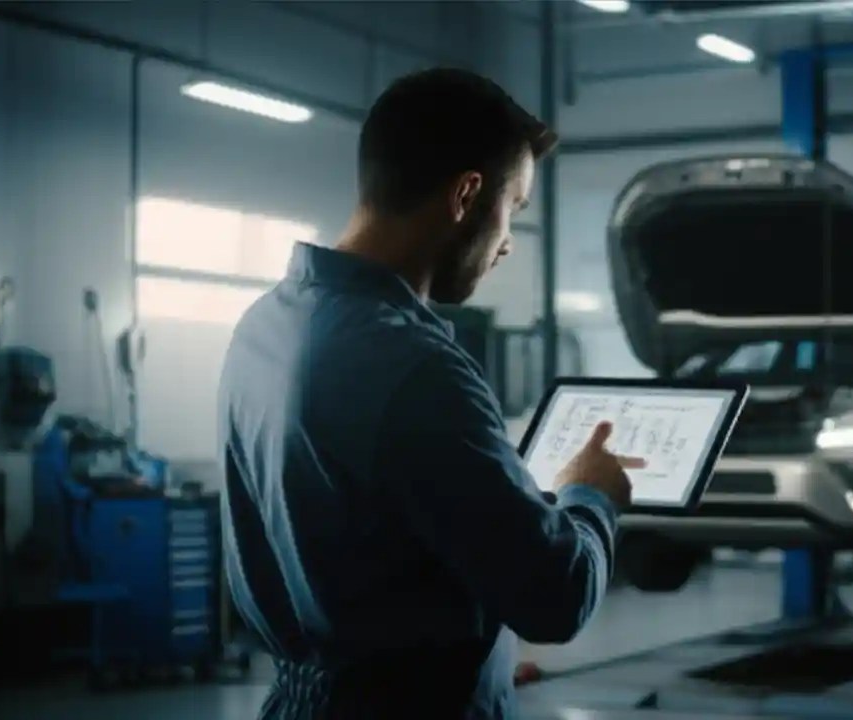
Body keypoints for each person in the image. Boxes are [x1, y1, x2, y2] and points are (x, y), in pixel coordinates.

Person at [218, 68, 643, 719]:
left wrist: (480, 663)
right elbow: (554, 596)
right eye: (515, 210)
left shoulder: (264, 325)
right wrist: (593, 494)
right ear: (467, 194)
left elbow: (374, 546)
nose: (506, 244)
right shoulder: (415, 367)